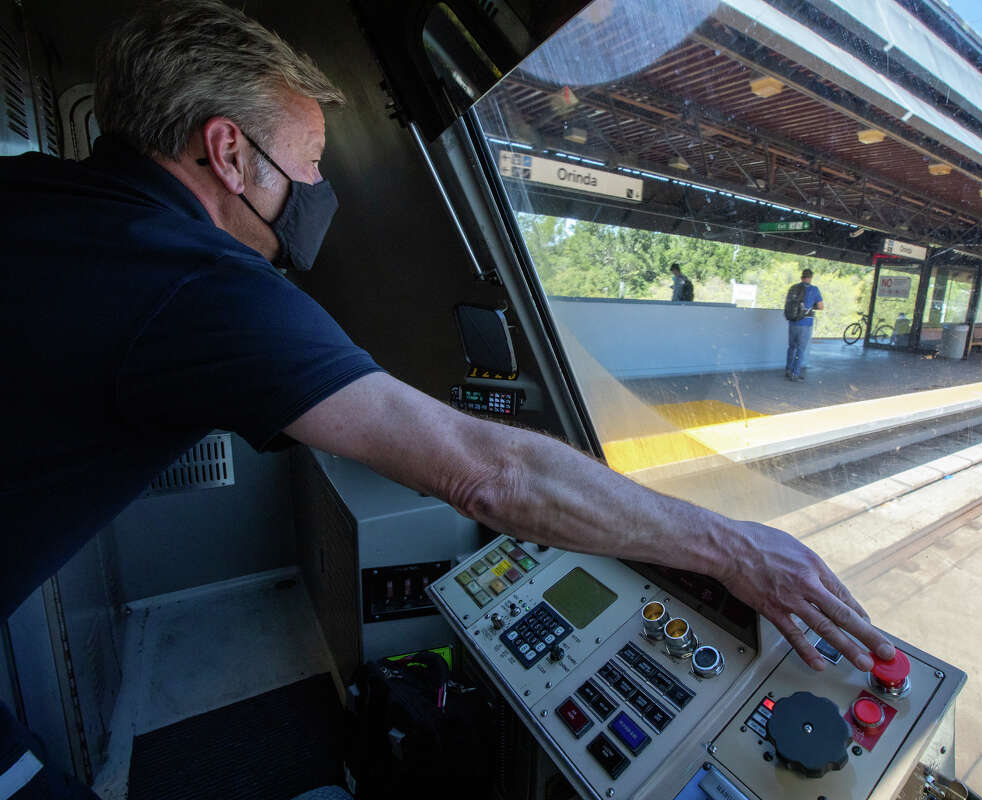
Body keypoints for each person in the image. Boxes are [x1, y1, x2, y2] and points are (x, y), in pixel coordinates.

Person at [0, 3, 891, 796]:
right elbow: (491, 474)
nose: (318, 193)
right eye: (309, 165)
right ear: (231, 153)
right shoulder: (203, 283)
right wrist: (731, 549)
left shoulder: (37, 192)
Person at [783, 268, 824, 379]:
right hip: (805, 323)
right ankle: (795, 373)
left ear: (801, 277)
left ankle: (788, 370)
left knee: (791, 347)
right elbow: (821, 306)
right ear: (810, 278)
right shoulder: (814, 289)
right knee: (800, 349)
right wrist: (811, 306)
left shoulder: (793, 288)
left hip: (793, 322)